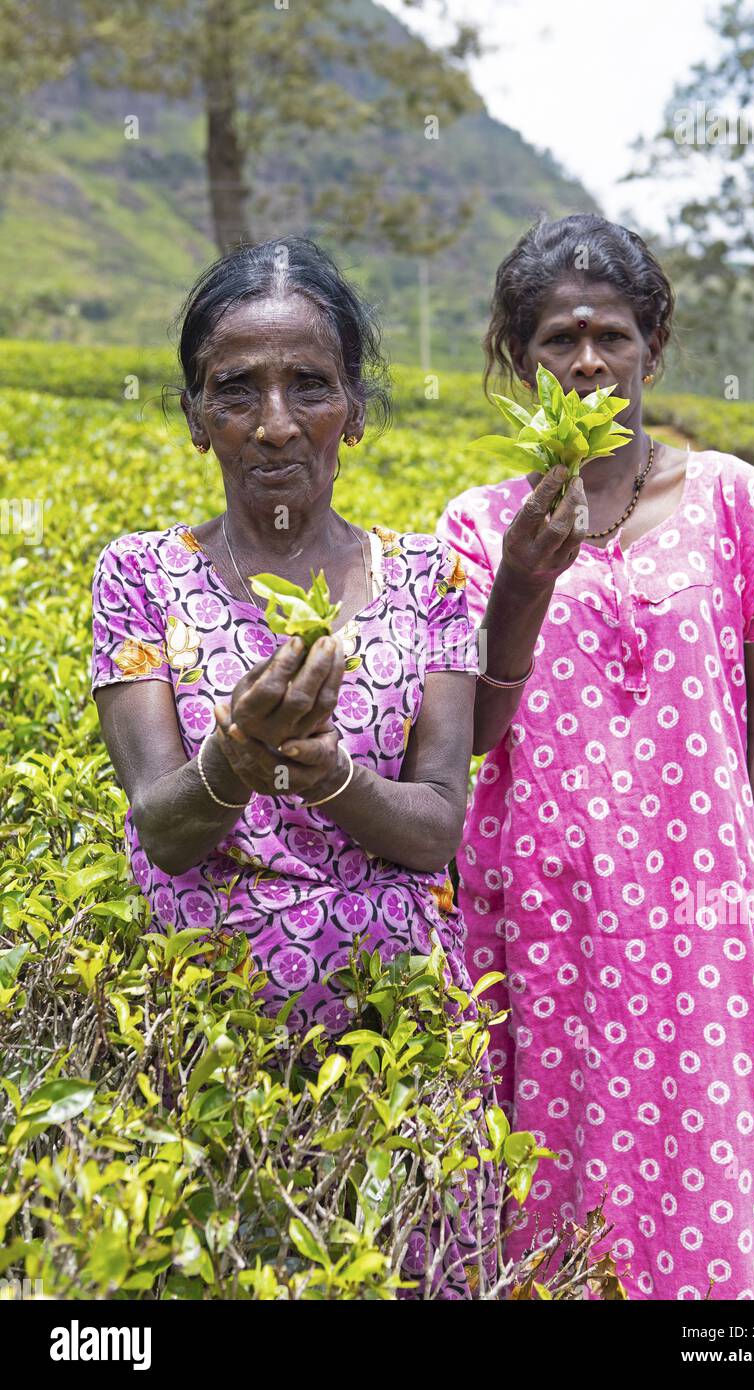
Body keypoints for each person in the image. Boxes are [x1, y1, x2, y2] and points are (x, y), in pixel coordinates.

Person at [89, 235, 487, 1295]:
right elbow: (164, 828)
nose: (273, 422)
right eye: (235, 390)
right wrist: (236, 754)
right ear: (192, 416)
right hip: (218, 1049)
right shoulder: (140, 579)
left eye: (308, 384)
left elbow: (437, 824)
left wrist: (328, 780)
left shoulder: (429, 579)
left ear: (353, 409)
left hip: (393, 1036)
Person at [436, 213, 754, 1300]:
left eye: (610, 333)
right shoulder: (476, 525)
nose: (587, 360)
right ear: (519, 358)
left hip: (695, 921)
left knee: (703, 1190)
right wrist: (522, 577)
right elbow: (472, 736)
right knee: (546, 1194)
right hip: (535, 921)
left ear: (654, 341)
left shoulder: (732, 501)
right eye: (557, 338)